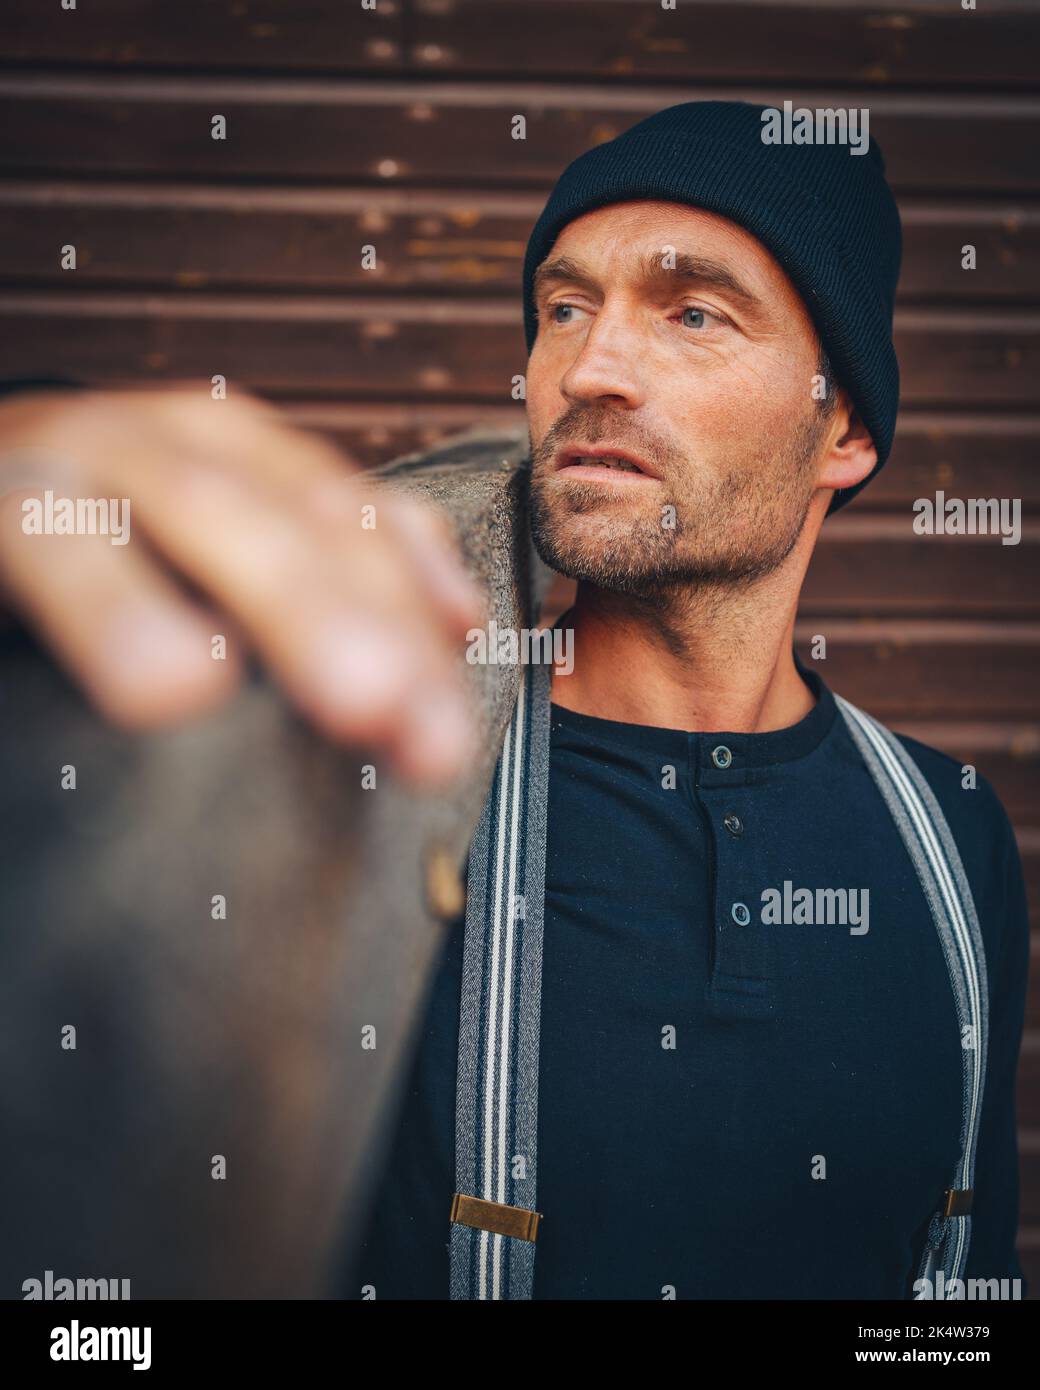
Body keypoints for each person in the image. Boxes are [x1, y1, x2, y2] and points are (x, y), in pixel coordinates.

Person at [0, 101, 1028, 1301]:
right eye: (564, 308)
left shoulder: (950, 838)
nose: (587, 369)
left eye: (692, 312)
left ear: (841, 425)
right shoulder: (373, 769)